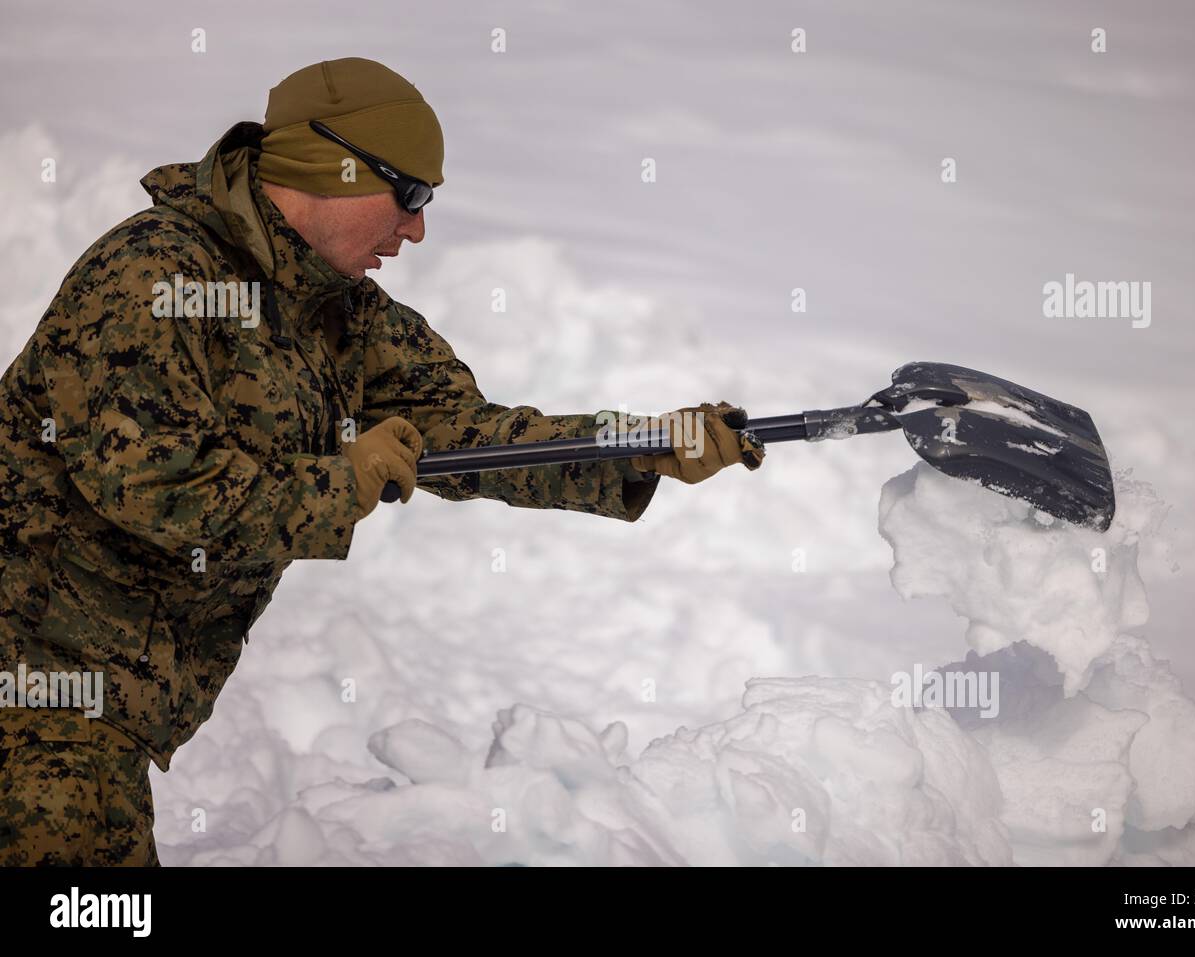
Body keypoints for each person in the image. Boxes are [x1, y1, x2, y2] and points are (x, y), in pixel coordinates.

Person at [0, 57, 763, 865]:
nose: (417, 229)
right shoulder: (154, 278)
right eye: (410, 195)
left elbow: (467, 433)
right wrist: (340, 482)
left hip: (99, 711)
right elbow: (156, 486)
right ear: (333, 168)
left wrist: (639, 449)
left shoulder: (337, 312)